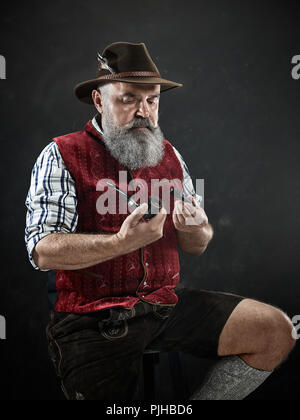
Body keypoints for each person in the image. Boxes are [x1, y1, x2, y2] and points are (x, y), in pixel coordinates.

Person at [25, 41, 296, 400]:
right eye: (128, 99)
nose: (144, 112)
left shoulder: (168, 153)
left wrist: (197, 228)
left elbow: (197, 245)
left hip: (164, 306)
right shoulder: (60, 154)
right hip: (92, 318)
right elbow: (42, 251)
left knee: (276, 331)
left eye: (152, 100)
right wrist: (120, 244)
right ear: (99, 100)